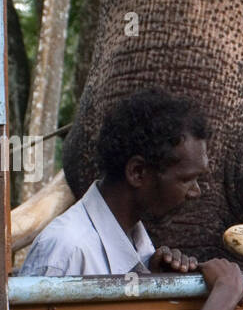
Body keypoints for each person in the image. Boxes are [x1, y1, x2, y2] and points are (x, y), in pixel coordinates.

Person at [18, 91, 209, 277]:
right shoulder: (66, 252)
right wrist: (223, 296)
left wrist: (154, 278)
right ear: (137, 172)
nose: (196, 192)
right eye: (186, 179)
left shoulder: (140, 244)